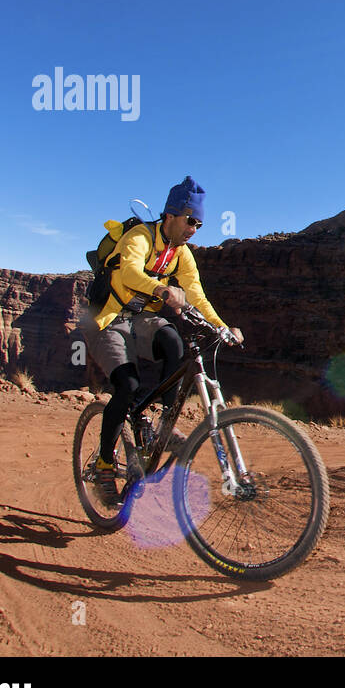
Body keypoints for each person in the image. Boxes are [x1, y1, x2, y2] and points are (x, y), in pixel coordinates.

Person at [79, 176, 243, 505]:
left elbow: (196, 294)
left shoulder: (181, 254)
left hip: (141, 320)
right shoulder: (140, 236)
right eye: (190, 220)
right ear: (169, 215)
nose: (194, 228)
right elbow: (129, 273)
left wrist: (222, 326)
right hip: (108, 319)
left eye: (199, 222)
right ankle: (104, 466)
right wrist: (161, 289)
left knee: (174, 343)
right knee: (126, 386)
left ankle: (160, 428)